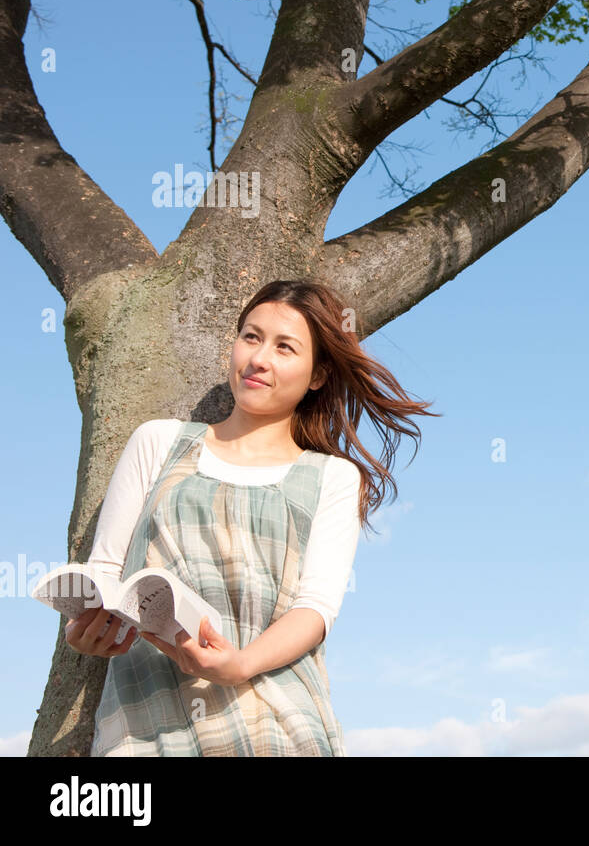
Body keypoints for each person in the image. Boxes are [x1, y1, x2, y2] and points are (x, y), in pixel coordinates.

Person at [64, 279, 440, 755]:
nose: (259, 358)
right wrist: (87, 632)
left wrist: (240, 664)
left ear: (318, 375)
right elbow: (106, 569)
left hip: (278, 727)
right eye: (251, 337)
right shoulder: (159, 442)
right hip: (146, 723)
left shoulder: (332, 477)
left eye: (285, 347)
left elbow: (316, 608)